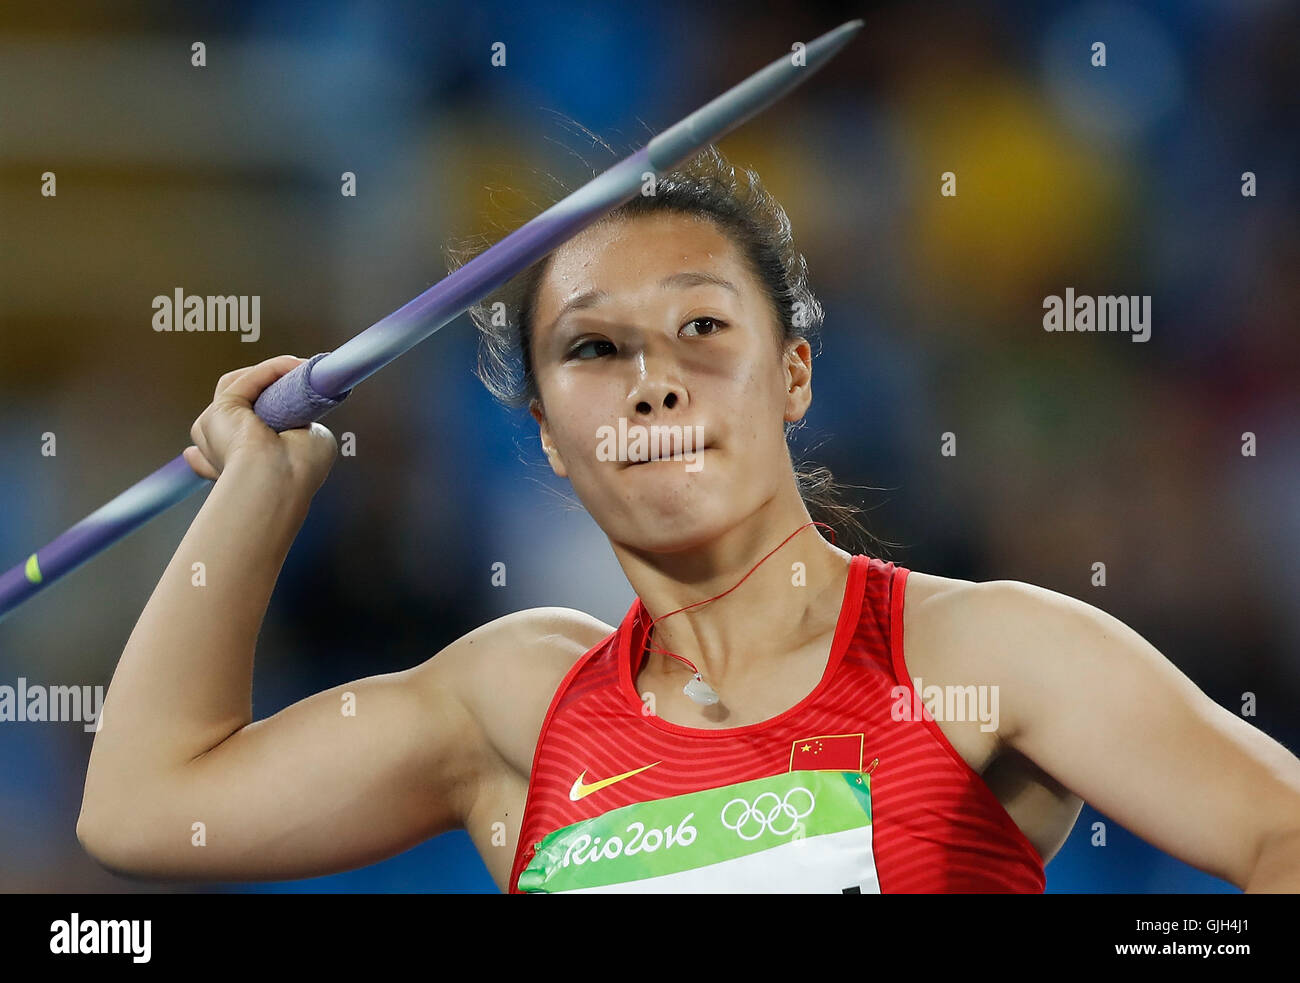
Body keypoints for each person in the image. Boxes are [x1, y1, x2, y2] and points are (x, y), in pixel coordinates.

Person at [76, 147, 1300, 893]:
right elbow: (140, 807)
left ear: (794, 375)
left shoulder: (985, 655)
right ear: (551, 434)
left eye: (702, 328)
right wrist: (252, 496)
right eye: (594, 348)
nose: (653, 378)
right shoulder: (514, 705)